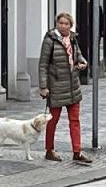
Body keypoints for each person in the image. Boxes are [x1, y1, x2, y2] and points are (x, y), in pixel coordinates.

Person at [39, 12, 92, 164]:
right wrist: (43, 86)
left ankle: (77, 151)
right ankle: (49, 150)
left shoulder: (73, 39)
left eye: (66, 24)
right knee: (52, 120)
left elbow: (79, 55)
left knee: (75, 120)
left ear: (71, 25)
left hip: (73, 85)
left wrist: (82, 63)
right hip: (56, 85)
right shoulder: (50, 40)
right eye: (60, 23)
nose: (63, 26)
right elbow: (43, 64)